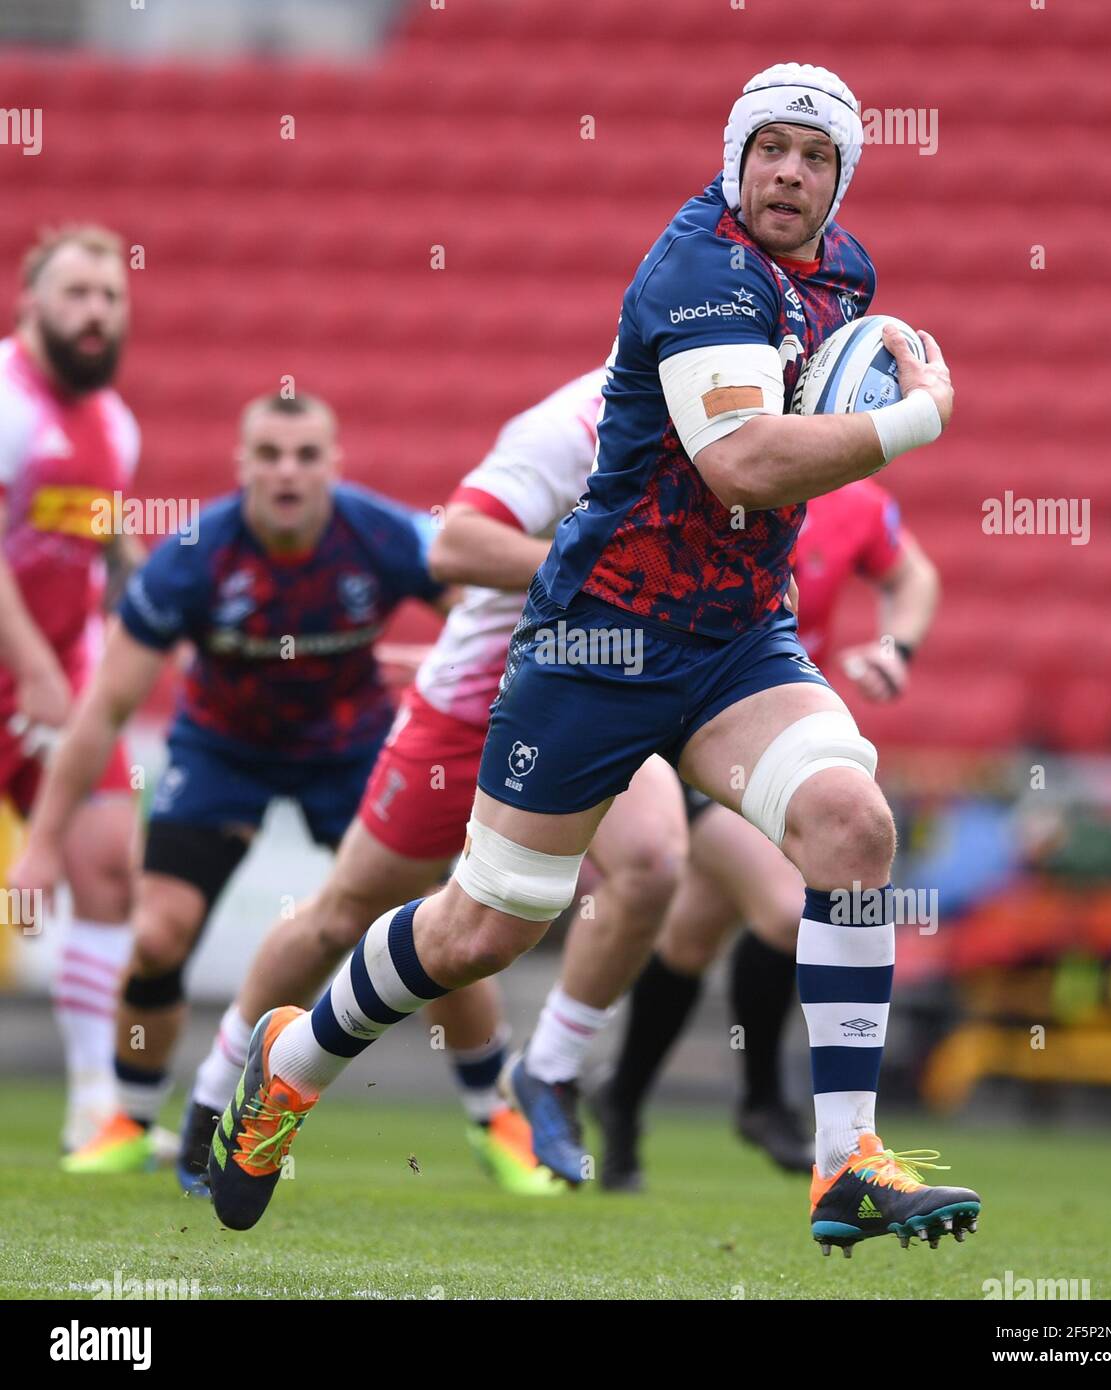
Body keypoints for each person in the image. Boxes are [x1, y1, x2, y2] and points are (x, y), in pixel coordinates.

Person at [210, 62, 980, 1259]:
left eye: (815, 155)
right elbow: (743, 462)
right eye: (769, 146)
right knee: (482, 927)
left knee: (853, 826)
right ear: (735, 158)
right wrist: (915, 419)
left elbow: (790, 467)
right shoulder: (699, 268)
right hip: (598, 640)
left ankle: (845, 1162)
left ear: (842, 179)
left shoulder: (844, 274)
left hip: (734, 636)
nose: (788, 171)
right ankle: (288, 1062)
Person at [186, 369, 688, 1195]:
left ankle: (543, 1079)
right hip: (466, 716)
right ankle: (213, 1103)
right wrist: (598, 588)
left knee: (655, 863)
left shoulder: (738, 424)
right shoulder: (573, 422)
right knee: (352, 918)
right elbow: (455, 548)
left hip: (596, 705)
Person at [10, 391, 449, 1181]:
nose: (287, 472)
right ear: (242, 465)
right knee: (156, 935)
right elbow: (102, 709)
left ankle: (498, 1115)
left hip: (346, 749)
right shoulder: (194, 553)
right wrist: (41, 846)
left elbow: (481, 613)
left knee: (437, 923)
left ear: (333, 465)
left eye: (305, 455)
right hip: (223, 751)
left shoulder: (378, 533)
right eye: (270, 455)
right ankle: (130, 1116)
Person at [593, 482, 940, 1189]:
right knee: (786, 908)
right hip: (694, 732)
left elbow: (914, 575)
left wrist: (894, 647)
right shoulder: (711, 475)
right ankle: (762, 1098)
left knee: (690, 936)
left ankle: (620, 1098)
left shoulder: (855, 500)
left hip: (782, 731)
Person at [0, 225, 143, 1154]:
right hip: (37, 676)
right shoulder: (6, 400)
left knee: (108, 868)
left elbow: (102, 547)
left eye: (109, 297)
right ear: (32, 302)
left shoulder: (116, 424)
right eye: (77, 293)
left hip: (63, 684)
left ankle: (95, 1098)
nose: (95, 313)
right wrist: (41, 671)